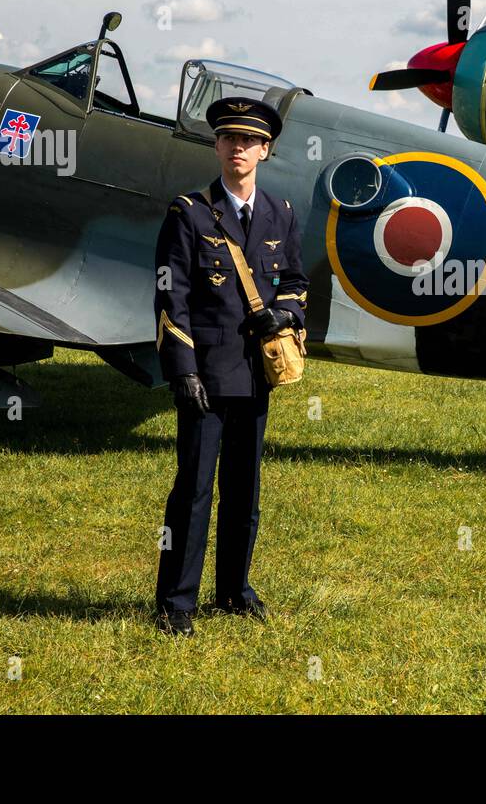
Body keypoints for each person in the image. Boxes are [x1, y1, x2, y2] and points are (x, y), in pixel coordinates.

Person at [152, 96, 308, 637]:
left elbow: (295, 282)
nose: (238, 148)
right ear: (217, 146)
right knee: (193, 490)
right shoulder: (188, 212)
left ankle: (236, 591)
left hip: (255, 374)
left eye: (249, 141)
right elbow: (171, 298)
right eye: (228, 139)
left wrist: (283, 315)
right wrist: (183, 370)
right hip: (206, 374)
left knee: (245, 489)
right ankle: (176, 602)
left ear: (265, 150)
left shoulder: (280, 214)